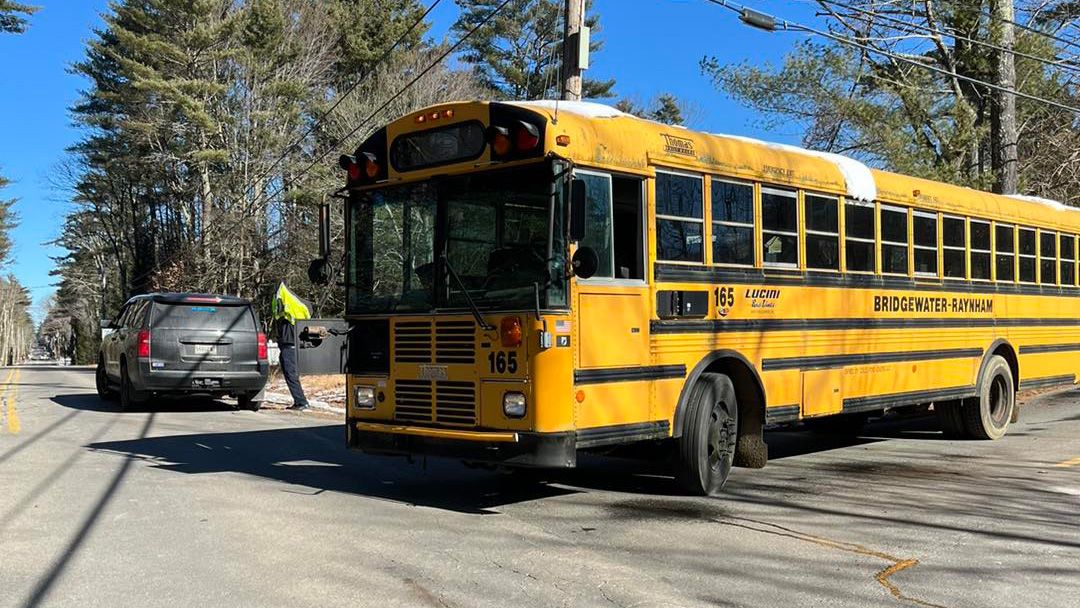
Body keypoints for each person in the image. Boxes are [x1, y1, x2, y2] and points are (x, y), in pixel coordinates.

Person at [272, 282, 311, 411]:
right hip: (287, 347)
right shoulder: (289, 317)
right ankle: (299, 400)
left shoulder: (290, 316)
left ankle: (301, 401)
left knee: (291, 375)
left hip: (289, 347)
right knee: (290, 375)